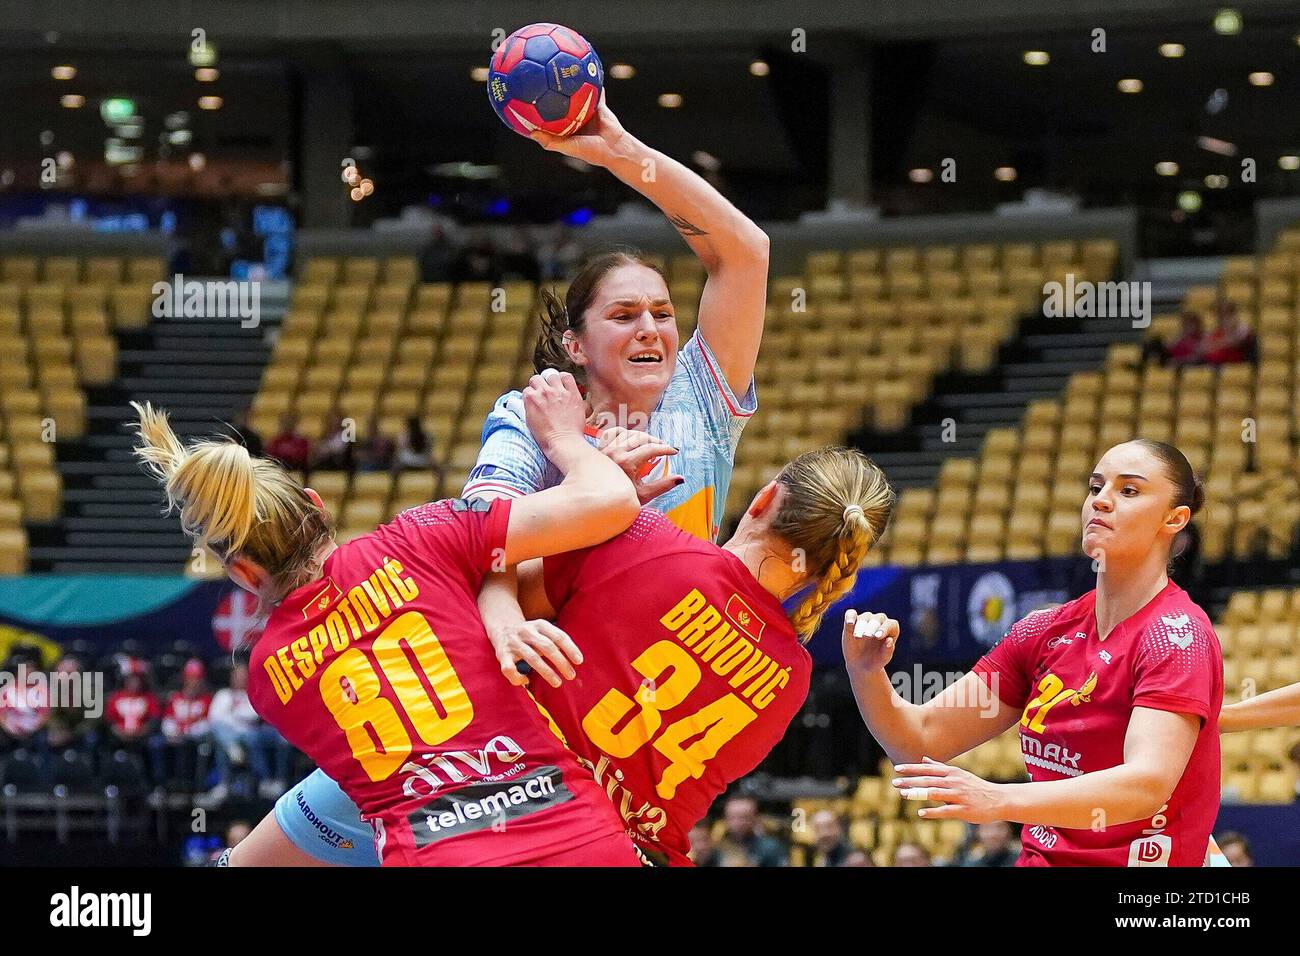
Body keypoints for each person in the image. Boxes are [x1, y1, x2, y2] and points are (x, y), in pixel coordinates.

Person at [228, 444, 894, 866]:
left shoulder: (645, 540)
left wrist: (582, 455)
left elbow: (489, 561)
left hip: (497, 791)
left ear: (764, 499)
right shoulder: (792, 676)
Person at [131, 373, 656, 867]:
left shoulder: (270, 679)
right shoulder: (421, 537)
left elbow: (337, 805)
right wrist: (567, 441)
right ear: (318, 505)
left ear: (243, 572)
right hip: (576, 833)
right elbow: (609, 501)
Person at [844, 439, 1223, 867]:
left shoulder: (1176, 637)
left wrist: (999, 798)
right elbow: (920, 741)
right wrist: (865, 671)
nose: (1100, 501)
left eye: (1128, 491)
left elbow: (1145, 785)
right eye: (1095, 487)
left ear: (1174, 519)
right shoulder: (1043, 631)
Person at [205, 661, 294, 804]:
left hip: (251, 733)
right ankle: (228, 770)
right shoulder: (223, 695)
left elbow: (254, 715)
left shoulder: (252, 694)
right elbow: (214, 718)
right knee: (218, 731)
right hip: (231, 734)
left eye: (243, 675)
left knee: (261, 737)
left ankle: (270, 780)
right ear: (231, 677)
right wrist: (237, 719)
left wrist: (232, 716)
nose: (240, 679)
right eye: (237, 675)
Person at [148, 658, 211, 789]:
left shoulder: (206, 700)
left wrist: (187, 733)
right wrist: (173, 732)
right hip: (173, 737)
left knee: (188, 746)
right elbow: (167, 720)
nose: (194, 683)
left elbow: (207, 724)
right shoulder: (175, 698)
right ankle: (161, 784)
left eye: (197, 679)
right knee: (156, 743)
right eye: (191, 678)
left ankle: (189, 784)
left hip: (195, 738)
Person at [713, 796, 787, 867]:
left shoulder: (770, 848)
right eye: (733, 817)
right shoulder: (716, 848)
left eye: (745, 817)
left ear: (755, 817)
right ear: (725, 819)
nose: (739, 823)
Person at [1200, 301, 1255, 366]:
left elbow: (1235, 342)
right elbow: (1204, 348)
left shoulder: (1242, 327)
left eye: (1225, 313)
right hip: (1214, 364)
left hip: (1236, 364)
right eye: (1218, 314)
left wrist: (1217, 344)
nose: (1221, 317)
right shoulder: (1213, 329)